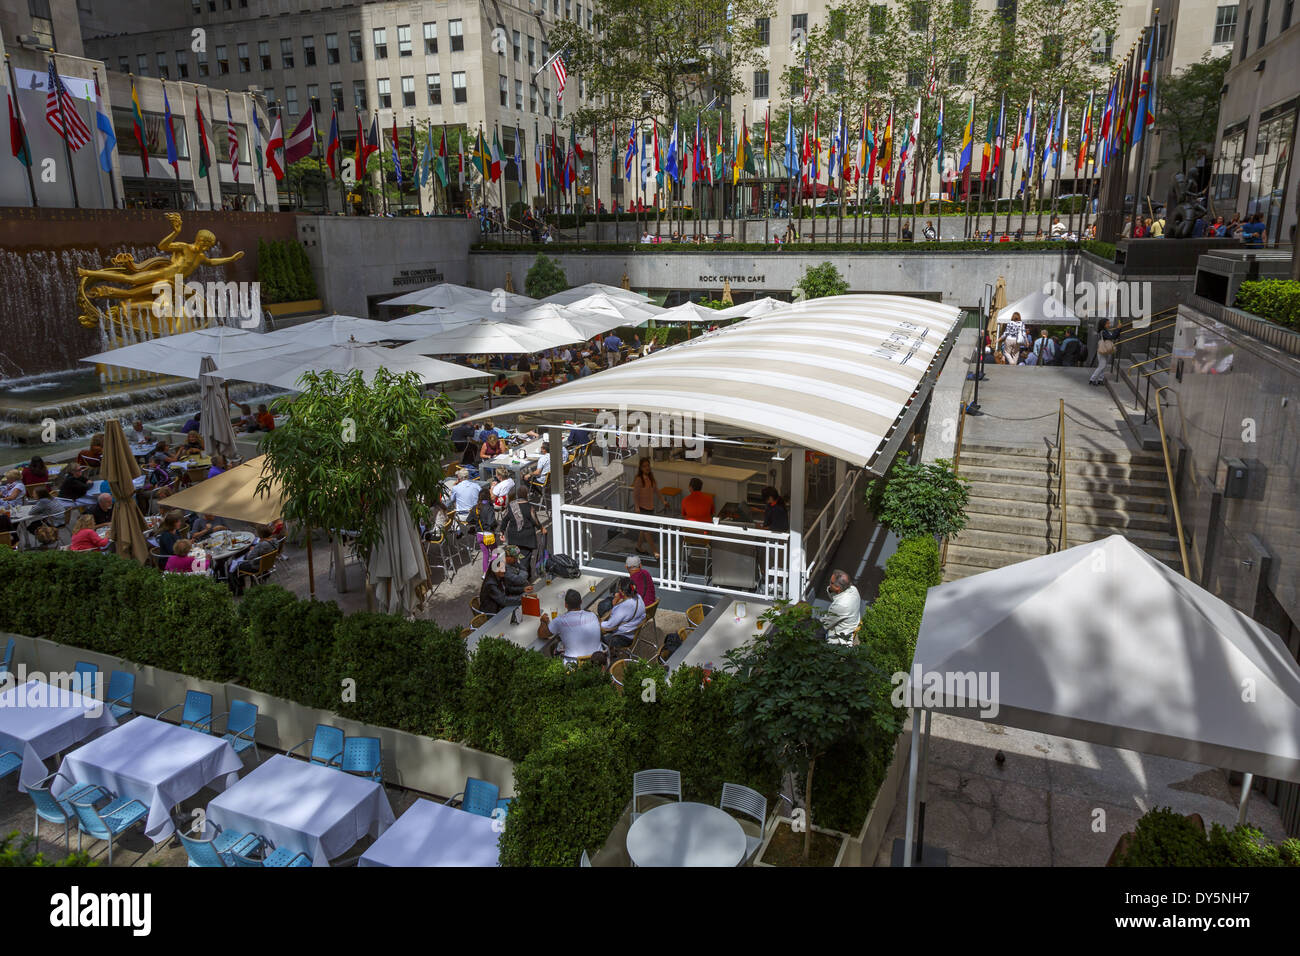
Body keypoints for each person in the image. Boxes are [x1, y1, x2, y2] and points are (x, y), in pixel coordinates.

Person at [538, 589, 604, 661]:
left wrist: (543, 621)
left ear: (565, 605)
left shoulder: (560, 621)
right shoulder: (593, 615)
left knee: (553, 647)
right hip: (598, 659)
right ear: (581, 602)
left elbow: (542, 634)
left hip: (574, 664)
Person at [227, 524, 279, 594]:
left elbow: (249, 557)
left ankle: (238, 589)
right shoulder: (275, 541)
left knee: (231, 566)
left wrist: (252, 550)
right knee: (242, 555)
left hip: (256, 566)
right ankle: (262, 576)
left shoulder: (261, 545)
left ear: (261, 535)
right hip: (268, 563)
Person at [503, 484, 542, 572]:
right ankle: (524, 577)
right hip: (527, 538)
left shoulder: (511, 506)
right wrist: (541, 528)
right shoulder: (530, 507)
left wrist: (502, 531)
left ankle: (515, 576)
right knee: (525, 559)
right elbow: (535, 521)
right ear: (526, 495)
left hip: (513, 537)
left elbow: (505, 519)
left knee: (513, 558)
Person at [822, 570, 862, 644]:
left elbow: (825, 624)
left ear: (838, 588)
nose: (829, 584)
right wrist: (831, 589)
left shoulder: (840, 605)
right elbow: (837, 597)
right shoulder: (853, 589)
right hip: (852, 625)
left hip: (841, 638)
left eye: (831, 583)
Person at [1089, 317, 1116, 386]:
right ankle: (1092, 379)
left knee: (1103, 365)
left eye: (1109, 323)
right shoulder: (1103, 332)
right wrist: (1118, 329)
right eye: (1107, 323)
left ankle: (1100, 379)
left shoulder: (1105, 331)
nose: (1109, 324)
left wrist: (1118, 330)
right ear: (1103, 324)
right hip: (1102, 350)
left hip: (1105, 350)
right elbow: (1111, 337)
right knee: (1102, 365)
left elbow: (1114, 336)